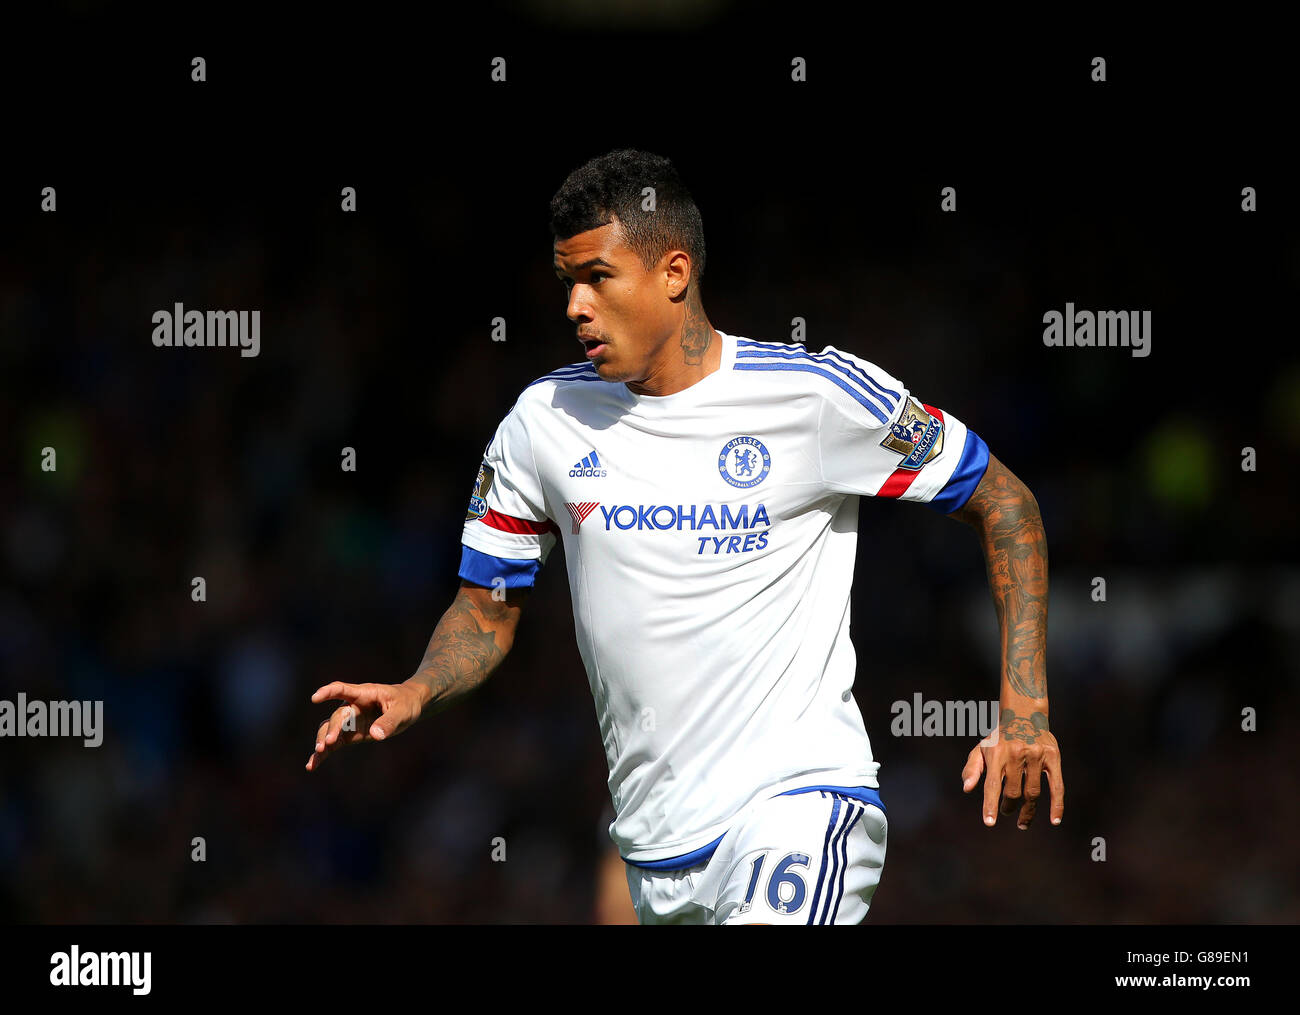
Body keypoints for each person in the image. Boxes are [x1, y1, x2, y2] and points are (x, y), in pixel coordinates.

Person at [305, 149, 1064, 924]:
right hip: (655, 856)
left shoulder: (813, 395)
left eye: (598, 277)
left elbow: (1005, 502)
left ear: (674, 273)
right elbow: (485, 608)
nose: (574, 305)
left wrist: (1025, 709)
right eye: (567, 281)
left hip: (799, 807)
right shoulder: (543, 424)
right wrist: (418, 687)